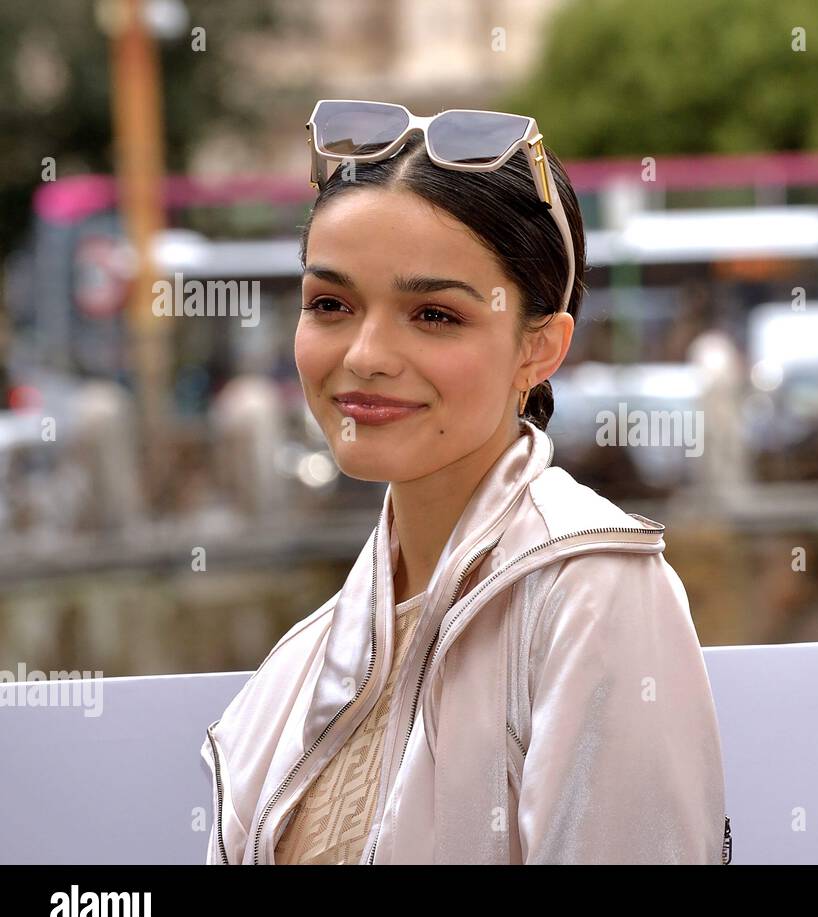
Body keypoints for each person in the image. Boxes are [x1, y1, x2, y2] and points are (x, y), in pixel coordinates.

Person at [199, 102, 729, 865]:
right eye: (331, 304)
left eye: (434, 315)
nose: (366, 354)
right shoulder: (304, 659)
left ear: (539, 348)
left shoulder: (592, 587)